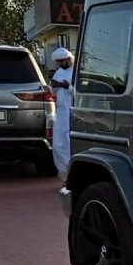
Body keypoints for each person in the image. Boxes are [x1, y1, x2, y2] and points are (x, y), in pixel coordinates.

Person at [49, 48, 75, 178]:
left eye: (62, 61)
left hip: (74, 112)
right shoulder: (58, 73)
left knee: (70, 141)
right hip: (61, 112)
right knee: (59, 143)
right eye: (58, 62)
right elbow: (52, 92)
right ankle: (65, 173)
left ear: (68, 59)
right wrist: (54, 86)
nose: (60, 64)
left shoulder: (77, 72)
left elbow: (81, 91)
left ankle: (73, 172)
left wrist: (67, 87)